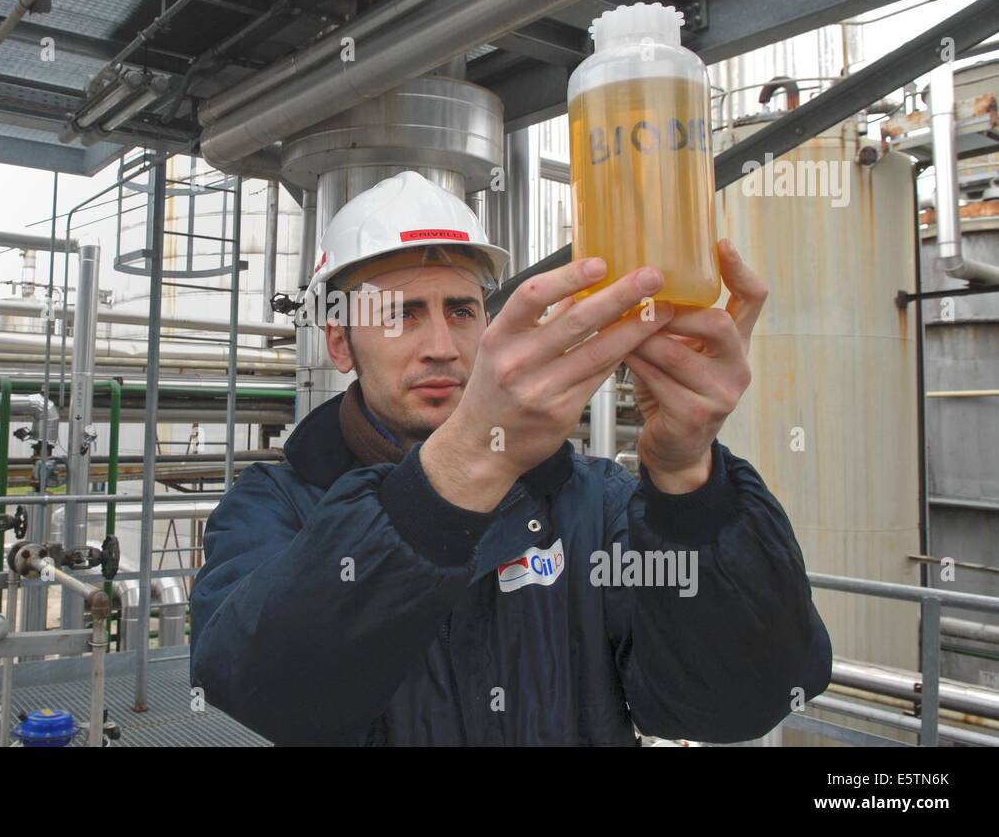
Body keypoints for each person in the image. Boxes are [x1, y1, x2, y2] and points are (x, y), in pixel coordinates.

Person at [190, 170, 831, 745]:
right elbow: (262, 694)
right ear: (339, 343)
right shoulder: (276, 504)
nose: (441, 345)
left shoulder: (595, 504)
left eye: (461, 310)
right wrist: (460, 470)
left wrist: (690, 484)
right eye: (399, 314)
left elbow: (729, 707)